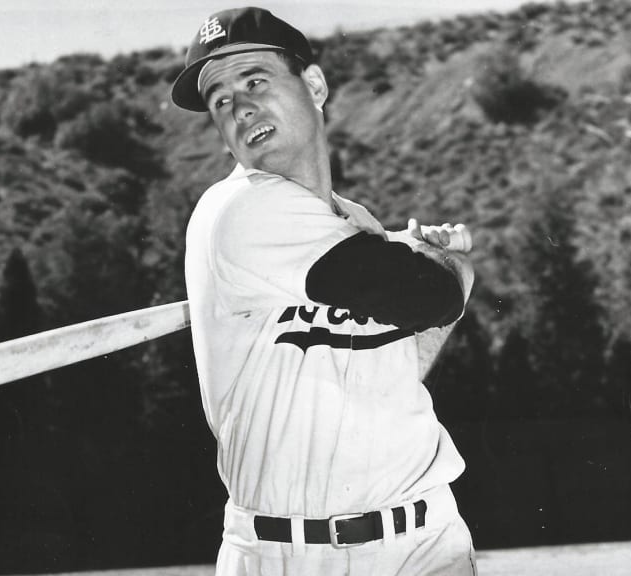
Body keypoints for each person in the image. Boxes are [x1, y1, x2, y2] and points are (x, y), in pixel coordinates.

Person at [172, 7, 477, 575]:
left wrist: (440, 281)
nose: (239, 107)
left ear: (314, 85)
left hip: (424, 539)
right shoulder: (239, 211)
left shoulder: (355, 222)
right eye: (220, 100)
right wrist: (449, 268)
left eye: (255, 81)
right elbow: (430, 297)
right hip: (290, 551)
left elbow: (399, 368)